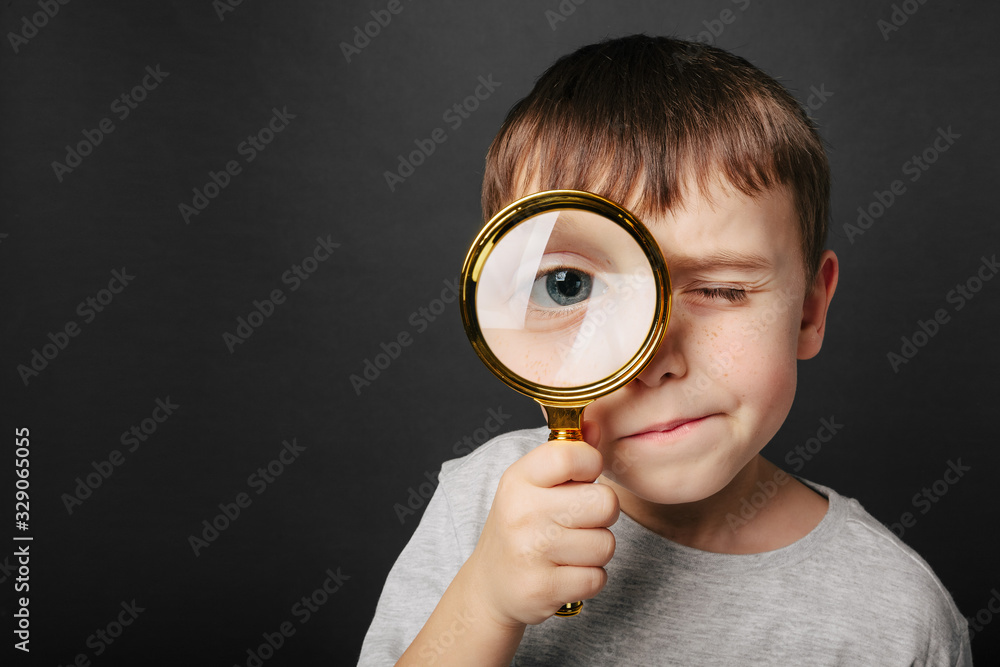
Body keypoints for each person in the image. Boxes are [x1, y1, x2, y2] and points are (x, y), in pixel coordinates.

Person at [358, 35, 971, 666]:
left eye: (721, 289)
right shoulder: (483, 507)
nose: (651, 360)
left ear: (810, 311)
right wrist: (485, 604)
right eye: (568, 286)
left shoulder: (897, 615)